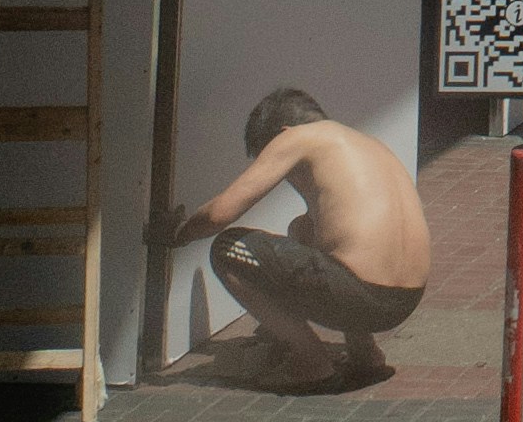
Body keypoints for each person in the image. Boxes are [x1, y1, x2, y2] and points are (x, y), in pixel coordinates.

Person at [165, 92, 432, 385]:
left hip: (357, 294)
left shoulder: (297, 138)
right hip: (405, 301)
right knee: (303, 229)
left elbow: (218, 216)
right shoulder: (368, 142)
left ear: (283, 133)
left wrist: (180, 233)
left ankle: (311, 360)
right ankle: (365, 351)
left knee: (228, 248)